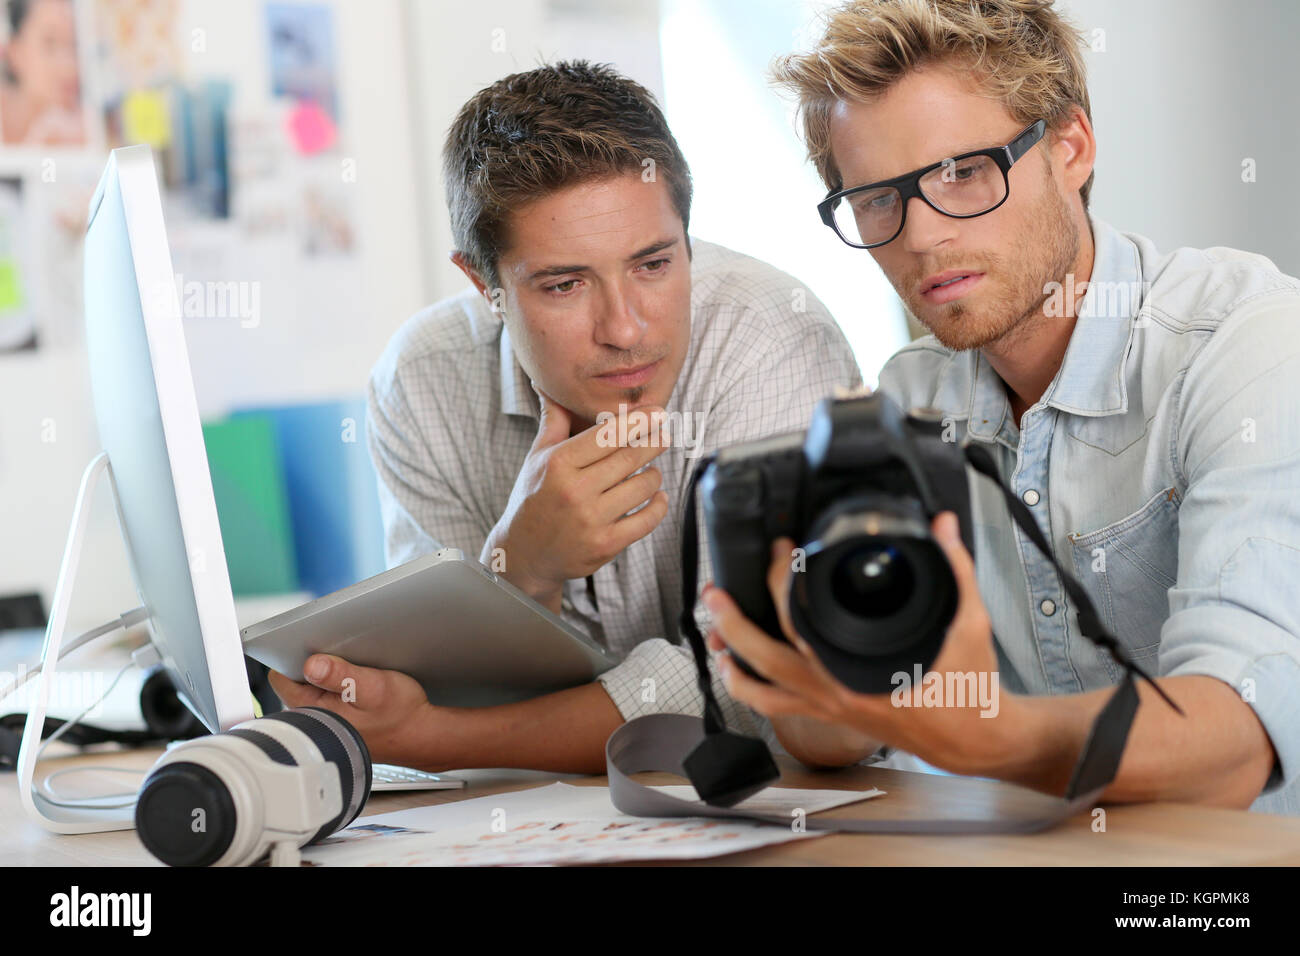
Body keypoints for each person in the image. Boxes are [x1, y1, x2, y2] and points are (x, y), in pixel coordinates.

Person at [706, 0, 1300, 814]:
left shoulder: (1252, 346)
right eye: (876, 198)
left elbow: (1237, 740)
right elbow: (834, 740)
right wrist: (803, 659)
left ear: (1070, 148)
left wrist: (987, 735)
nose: (921, 237)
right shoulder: (909, 399)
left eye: (962, 172)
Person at [268, 62, 862, 772]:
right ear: (483, 283)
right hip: (532, 816)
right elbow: (447, 686)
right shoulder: (421, 380)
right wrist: (520, 571)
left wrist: (439, 740)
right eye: (565, 284)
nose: (626, 329)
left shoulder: (768, 336)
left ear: (686, 237)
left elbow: (754, 687)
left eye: (653, 264)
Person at [0, 0, 84, 146]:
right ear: (14, 50)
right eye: (50, 43)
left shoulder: (81, 127)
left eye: (73, 45)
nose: (69, 65)